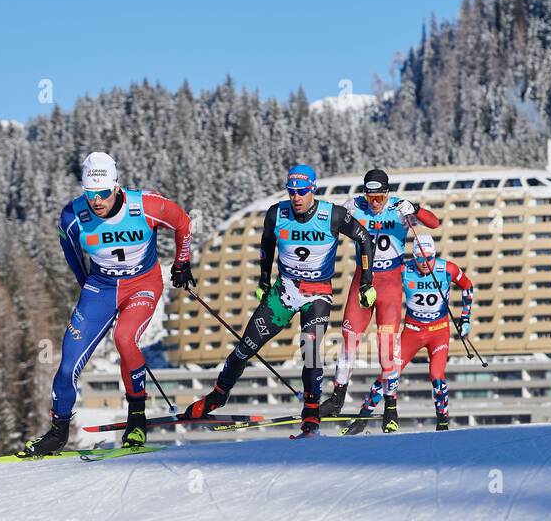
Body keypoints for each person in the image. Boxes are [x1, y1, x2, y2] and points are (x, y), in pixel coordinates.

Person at [178, 164, 376, 437]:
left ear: (313, 189)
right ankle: (217, 395)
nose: (296, 197)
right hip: (284, 291)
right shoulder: (277, 213)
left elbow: (365, 239)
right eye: (292, 191)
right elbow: (266, 244)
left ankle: (311, 412)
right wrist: (263, 280)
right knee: (245, 348)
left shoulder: (333, 215)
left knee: (310, 348)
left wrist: (366, 282)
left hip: (317, 293)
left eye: (302, 191)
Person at [21, 152, 193, 455]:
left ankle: (136, 419)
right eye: (90, 193)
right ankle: (59, 431)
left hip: (142, 285)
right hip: (100, 288)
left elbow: (182, 222)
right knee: (67, 365)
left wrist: (181, 263)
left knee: (125, 339)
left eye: (102, 193)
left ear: (116, 187)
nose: (96, 200)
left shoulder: (147, 206)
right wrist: (84, 283)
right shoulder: (72, 216)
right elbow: (71, 252)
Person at [320, 168, 441, 417]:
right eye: (370, 197)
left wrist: (416, 209)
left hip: (390, 283)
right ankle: (337, 398)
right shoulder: (354, 206)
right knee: (348, 342)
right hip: (362, 280)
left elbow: (434, 223)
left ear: (388, 193)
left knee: (386, 349)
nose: (375, 204)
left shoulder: (399, 208)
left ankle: (390, 409)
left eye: (380, 198)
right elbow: (326, 222)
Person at [343, 235, 473, 434]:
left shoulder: (447, 269)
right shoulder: (404, 270)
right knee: (389, 373)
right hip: (412, 331)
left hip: (438, 332)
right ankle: (362, 419)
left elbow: (468, 286)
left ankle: (443, 422)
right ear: (414, 258)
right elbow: (383, 282)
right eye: (420, 259)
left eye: (429, 258)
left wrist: (465, 318)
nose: (425, 264)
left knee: (436, 375)